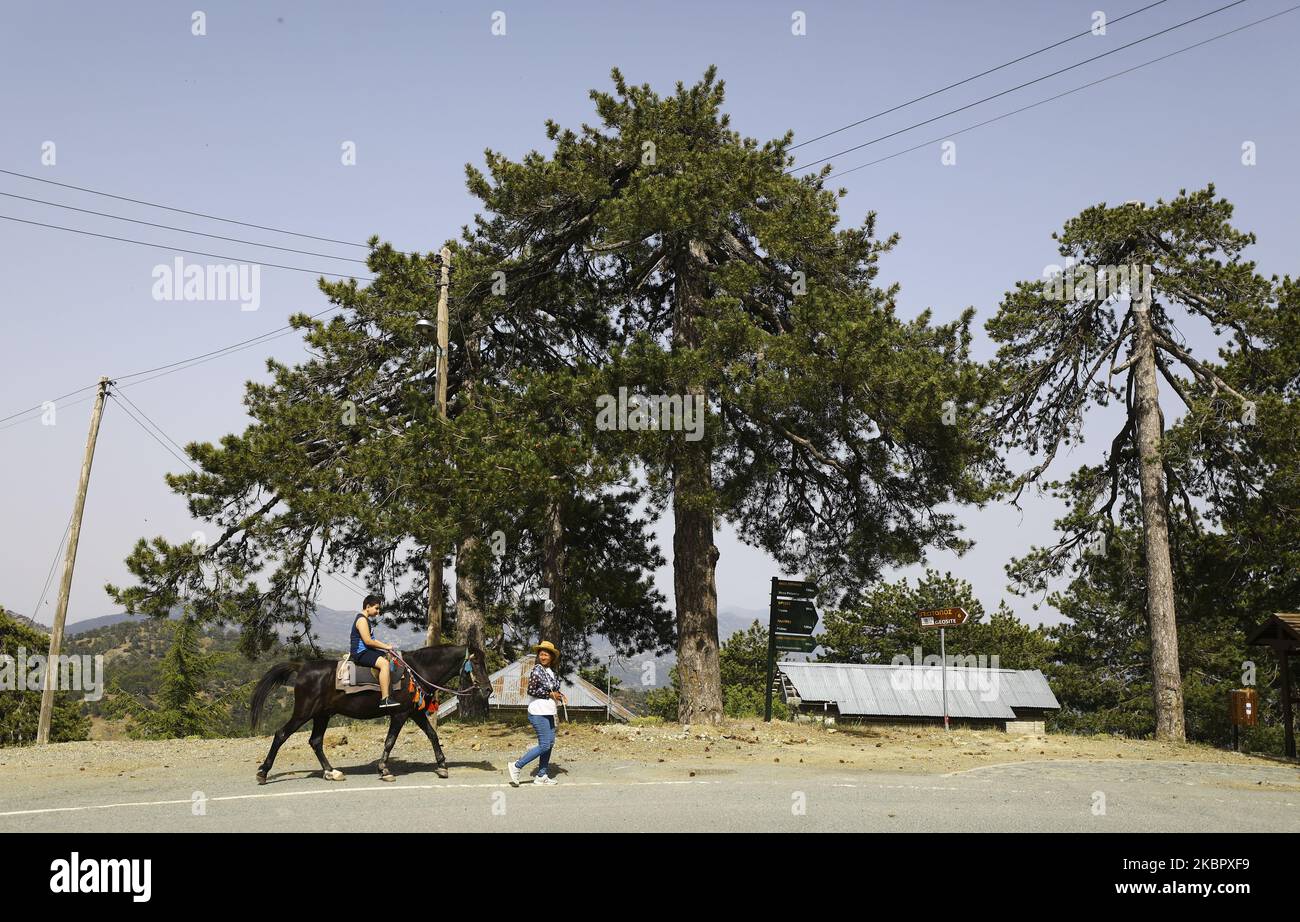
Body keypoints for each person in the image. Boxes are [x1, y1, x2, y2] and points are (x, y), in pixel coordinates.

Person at [508, 640, 566, 786]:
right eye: (541, 654)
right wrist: (550, 695)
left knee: (550, 743)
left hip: (549, 711)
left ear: (552, 657)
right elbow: (531, 690)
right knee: (545, 744)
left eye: (546, 654)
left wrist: (560, 695)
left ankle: (541, 775)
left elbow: (553, 690)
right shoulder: (537, 670)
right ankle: (516, 766)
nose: (543, 657)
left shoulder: (552, 672)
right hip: (538, 712)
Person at [350, 594, 401, 709]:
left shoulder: (366, 620)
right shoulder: (362, 620)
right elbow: (368, 641)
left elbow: (372, 640)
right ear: (367, 606)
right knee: (384, 664)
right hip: (360, 653)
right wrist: (386, 647)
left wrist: (386, 647)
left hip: (367, 651)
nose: (378, 612)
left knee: (388, 657)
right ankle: (385, 699)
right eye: (376, 608)